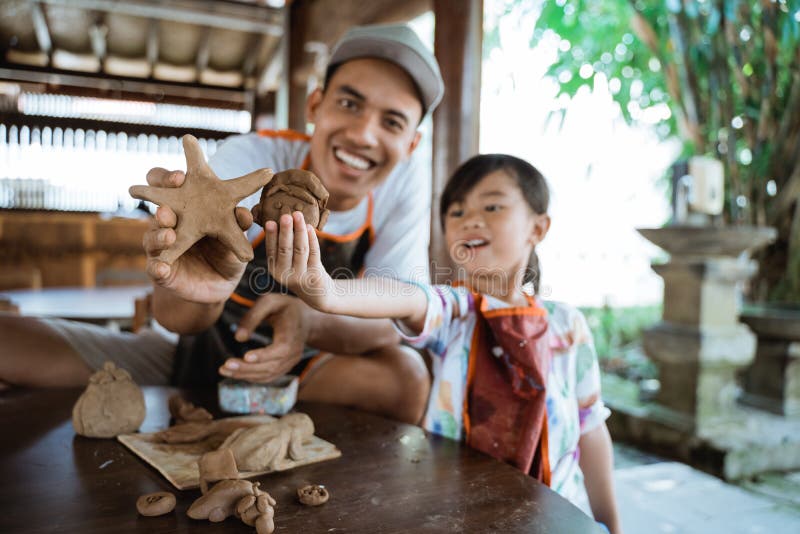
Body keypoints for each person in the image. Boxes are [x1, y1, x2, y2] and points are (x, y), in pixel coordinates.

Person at [0, 23, 443, 424]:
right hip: (192, 354)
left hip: (304, 368)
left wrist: (308, 320)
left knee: (405, 376)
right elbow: (175, 316)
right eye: (349, 102)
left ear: (412, 142)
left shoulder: (404, 185)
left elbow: (391, 321)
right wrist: (197, 294)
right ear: (315, 103)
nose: (364, 134)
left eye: (392, 121)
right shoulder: (254, 159)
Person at [263, 154, 623, 532]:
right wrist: (330, 292)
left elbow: (591, 430)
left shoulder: (568, 326)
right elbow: (406, 297)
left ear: (538, 227)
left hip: (557, 516)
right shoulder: (455, 310)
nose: (470, 218)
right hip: (460, 512)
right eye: (455, 211)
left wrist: (611, 523)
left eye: (492, 205)